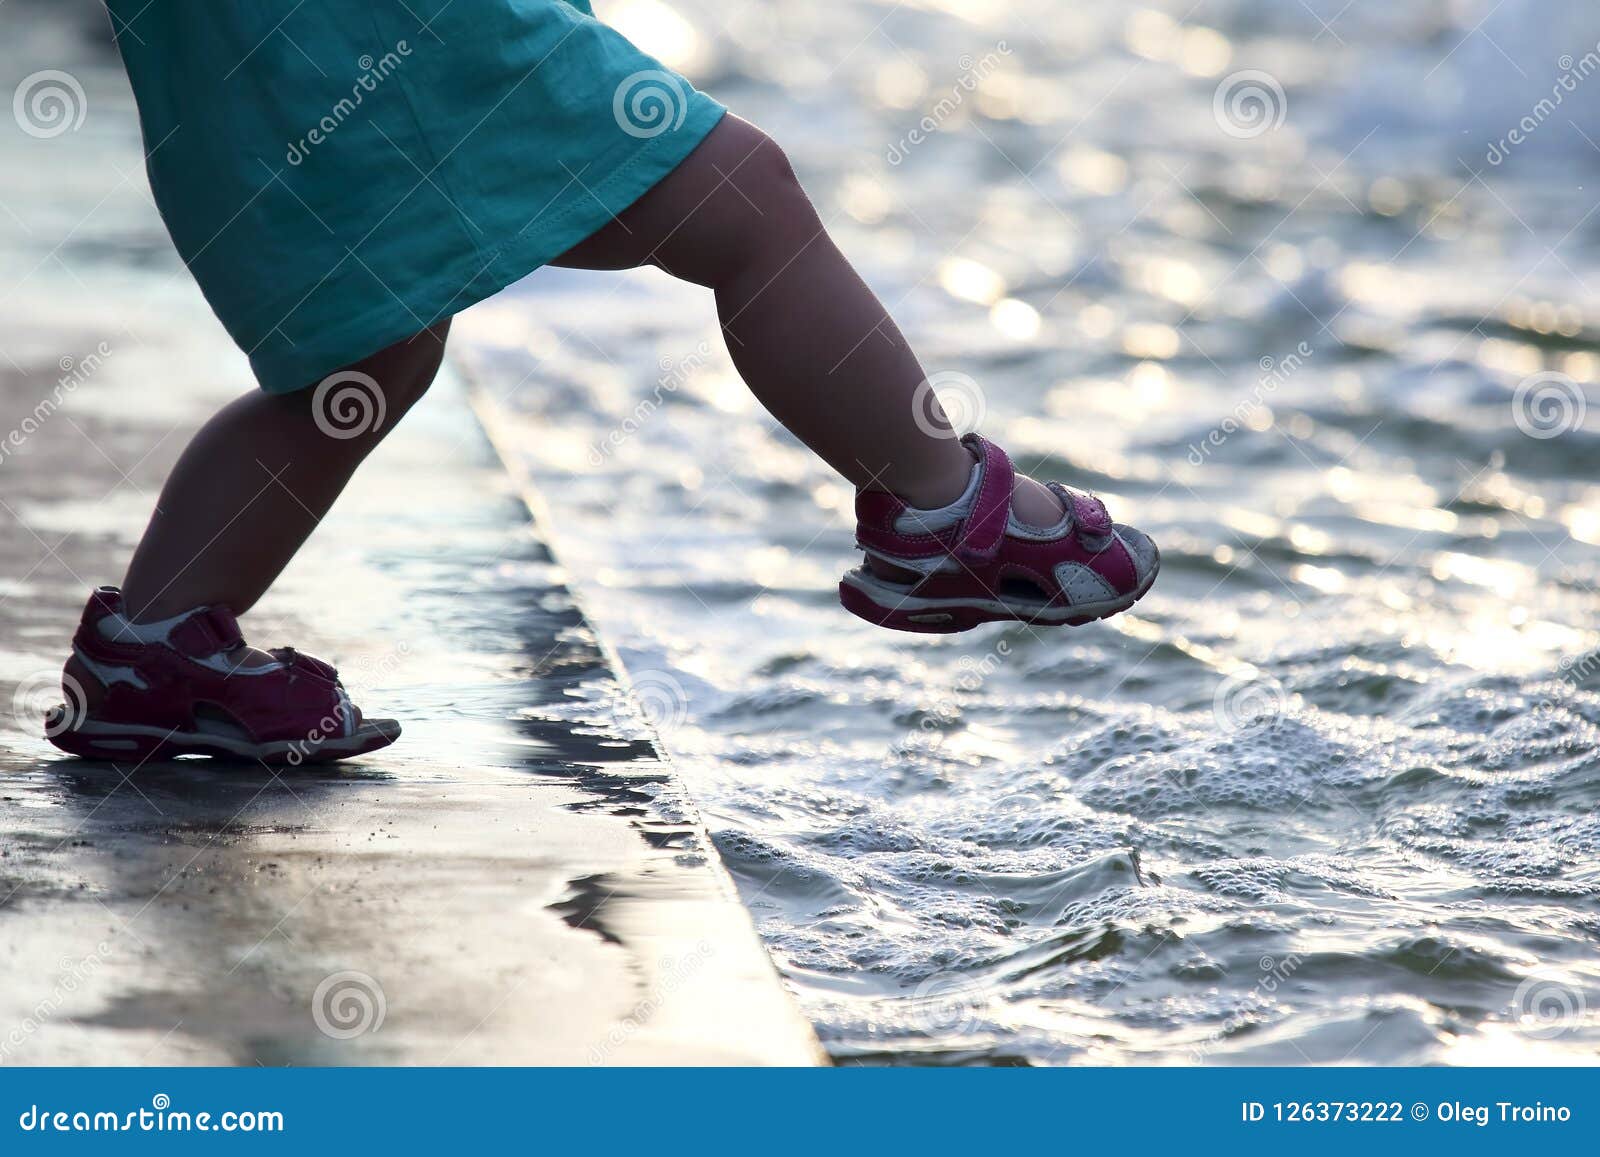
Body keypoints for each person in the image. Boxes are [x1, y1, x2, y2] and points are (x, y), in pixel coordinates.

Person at [48, 0, 1158, 763]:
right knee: (744, 202)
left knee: (370, 347)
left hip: (248, 49)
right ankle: (949, 510)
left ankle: (154, 648)